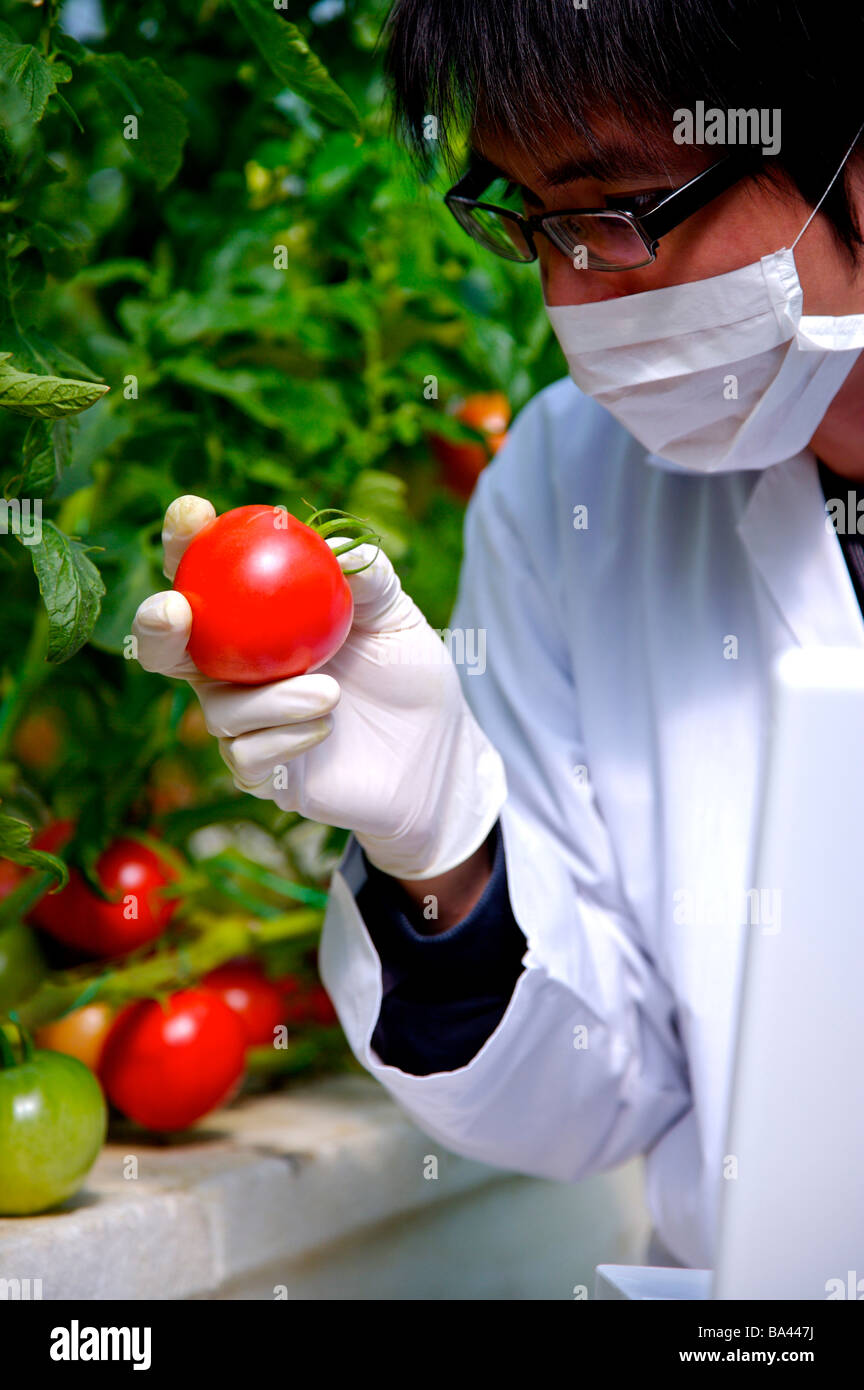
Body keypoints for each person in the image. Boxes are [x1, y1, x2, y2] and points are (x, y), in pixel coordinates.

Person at [134, 0, 864, 1271]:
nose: (570, 296)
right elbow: (601, 1095)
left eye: (615, 208)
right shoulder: (567, 488)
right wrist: (441, 851)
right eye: (530, 220)